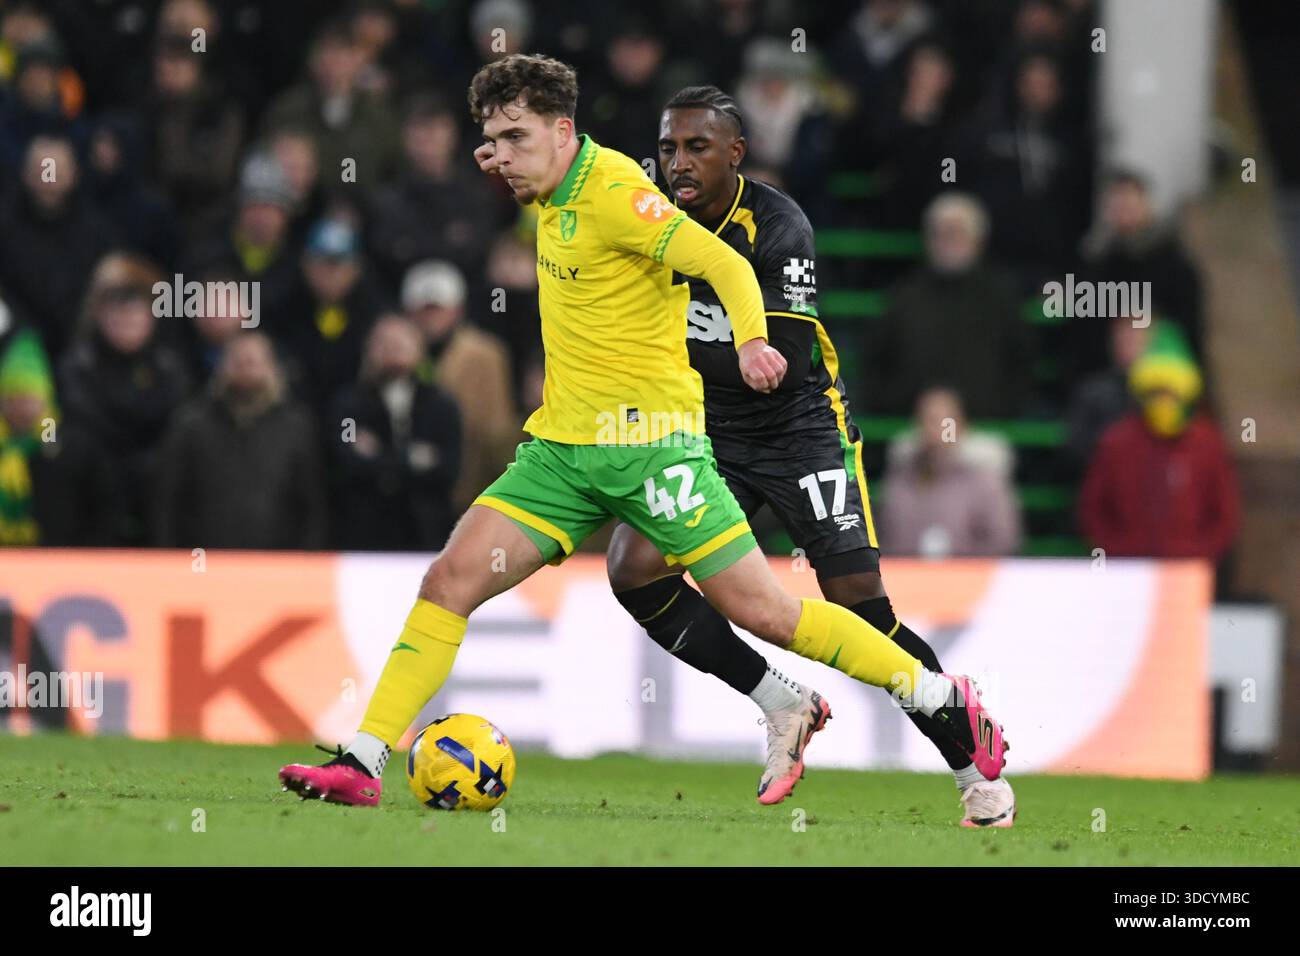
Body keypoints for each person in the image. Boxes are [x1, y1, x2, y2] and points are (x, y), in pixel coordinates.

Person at [279, 54, 1007, 810]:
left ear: (565, 133)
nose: (502, 157)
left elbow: (721, 260)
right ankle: (363, 763)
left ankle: (934, 695)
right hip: (561, 454)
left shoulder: (621, 194)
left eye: (515, 138)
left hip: (657, 451)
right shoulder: (551, 185)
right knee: (449, 582)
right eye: (492, 139)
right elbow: (531, 176)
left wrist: (753, 340)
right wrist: (498, 147)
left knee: (767, 613)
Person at [601, 86, 1014, 825]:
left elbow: (782, 360)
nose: (678, 163)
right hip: (707, 438)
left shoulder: (778, 224)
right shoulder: (643, 211)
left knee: (859, 605)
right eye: (667, 147)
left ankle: (968, 761)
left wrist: (661, 353)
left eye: (697, 147)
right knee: (633, 567)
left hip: (801, 431)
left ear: (737, 153)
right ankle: (779, 703)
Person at [1078, 323, 1238, 562]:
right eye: (1155, 392)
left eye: (1170, 393)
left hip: (1188, 568)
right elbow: (1093, 508)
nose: (1163, 401)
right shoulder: (1118, 442)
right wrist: (1117, 550)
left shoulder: (1206, 444)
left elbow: (1225, 513)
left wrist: (1198, 553)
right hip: (1127, 567)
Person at [154, 331, 327, 550]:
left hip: (278, 565)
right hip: (203, 563)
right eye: (237, 361)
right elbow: (168, 500)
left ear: (271, 367)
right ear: (222, 366)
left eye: (252, 362)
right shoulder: (191, 423)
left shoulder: (297, 426)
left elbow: (313, 504)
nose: (244, 369)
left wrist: (307, 561)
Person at [328, 314, 463, 550]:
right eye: (384, 342)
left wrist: (379, 455)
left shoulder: (442, 405)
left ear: (420, 349)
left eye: (402, 342)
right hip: (364, 538)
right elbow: (347, 465)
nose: (393, 349)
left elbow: (448, 471)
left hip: (428, 537)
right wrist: (413, 459)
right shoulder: (348, 406)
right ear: (369, 349)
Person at [402, 259, 517, 510]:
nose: (431, 317)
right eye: (424, 309)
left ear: (458, 309)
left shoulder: (486, 355)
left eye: (438, 308)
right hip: (410, 493)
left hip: (473, 489)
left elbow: (496, 430)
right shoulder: (393, 352)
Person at [879, 386, 1021, 558]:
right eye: (927, 421)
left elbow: (1003, 541)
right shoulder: (900, 483)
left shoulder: (986, 483)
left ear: (962, 427)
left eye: (945, 423)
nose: (935, 431)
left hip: (971, 579)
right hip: (905, 578)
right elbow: (887, 540)